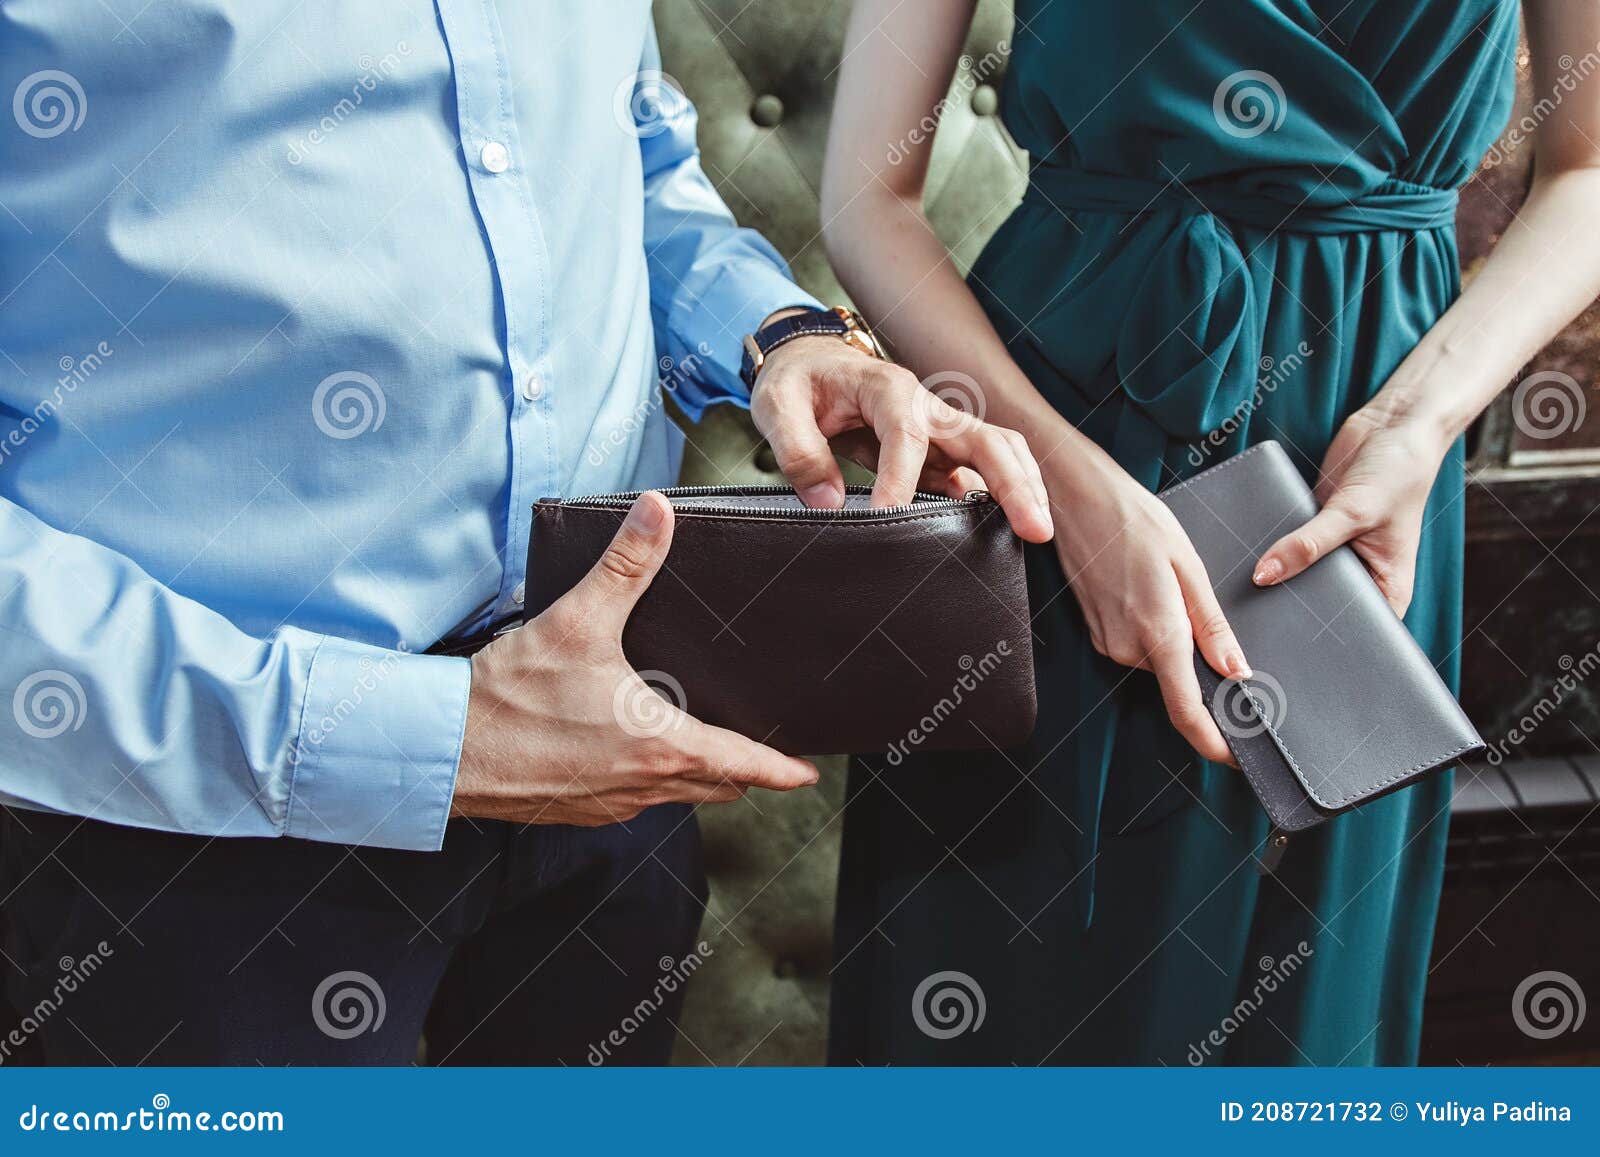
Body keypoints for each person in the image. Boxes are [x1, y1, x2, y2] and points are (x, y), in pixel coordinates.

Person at [0, 2, 1051, 1065]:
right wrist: (424, 737)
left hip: (611, 762)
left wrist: (781, 335)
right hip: (188, 829)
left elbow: (635, 168)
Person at [821, 0, 1600, 1063]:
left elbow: (1587, 169)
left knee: (1308, 1011)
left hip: (1376, 457)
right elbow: (866, 200)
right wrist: (1063, 484)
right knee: (1012, 992)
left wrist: (1416, 424)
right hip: (1049, 434)